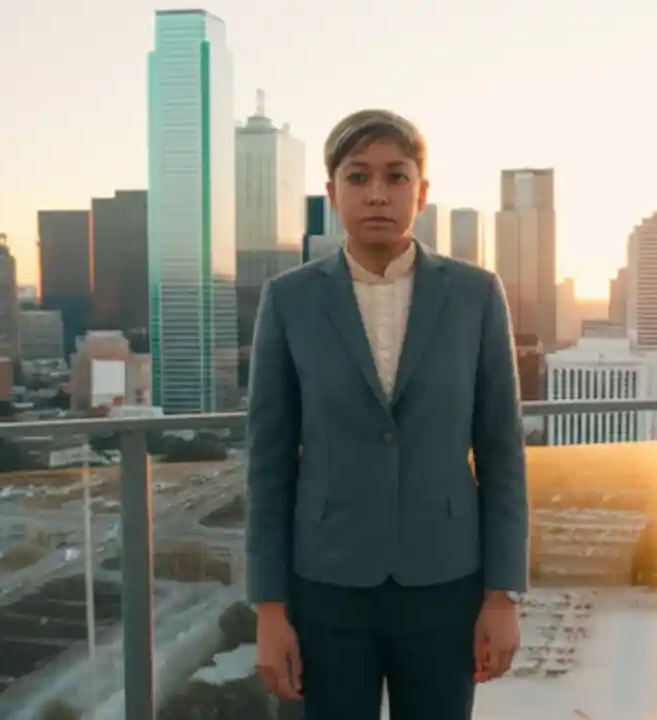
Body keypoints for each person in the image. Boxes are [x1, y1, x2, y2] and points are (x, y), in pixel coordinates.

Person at [245, 108, 529, 720]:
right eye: (357, 177)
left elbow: (503, 452)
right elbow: (268, 465)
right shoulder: (288, 299)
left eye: (396, 177)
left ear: (422, 192)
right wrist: (269, 609)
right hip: (325, 587)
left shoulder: (476, 295)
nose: (377, 193)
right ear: (332, 193)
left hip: (446, 583)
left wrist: (502, 595)